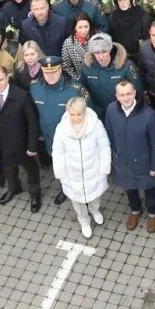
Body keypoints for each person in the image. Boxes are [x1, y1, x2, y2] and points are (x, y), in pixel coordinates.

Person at [0, 64, 43, 211]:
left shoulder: (21, 95)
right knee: (8, 167)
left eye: (0, 80)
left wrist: (32, 146)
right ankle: (14, 188)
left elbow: (32, 121)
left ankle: (35, 194)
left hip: (22, 144)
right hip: (0, 142)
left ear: (7, 77)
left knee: (30, 168)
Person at [49, 96, 111, 238]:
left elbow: (104, 148)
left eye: (79, 114)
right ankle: (84, 221)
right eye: (72, 114)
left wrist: (104, 169)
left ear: (85, 112)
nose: (75, 118)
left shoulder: (96, 126)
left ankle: (95, 211)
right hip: (72, 174)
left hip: (93, 171)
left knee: (95, 197)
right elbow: (57, 151)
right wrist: (61, 172)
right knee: (77, 202)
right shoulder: (61, 128)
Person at [105, 77, 155, 230]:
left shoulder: (148, 114)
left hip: (145, 161)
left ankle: (153, 213)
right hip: (122, 159)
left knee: (150, 189)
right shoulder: (111, 110)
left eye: (129, 94)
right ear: (117, 96)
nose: (126, 98)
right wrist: (113, 156)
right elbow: (109, 134)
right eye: (122, 95)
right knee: (129, 187)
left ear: (135, 93)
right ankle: (135, 210)